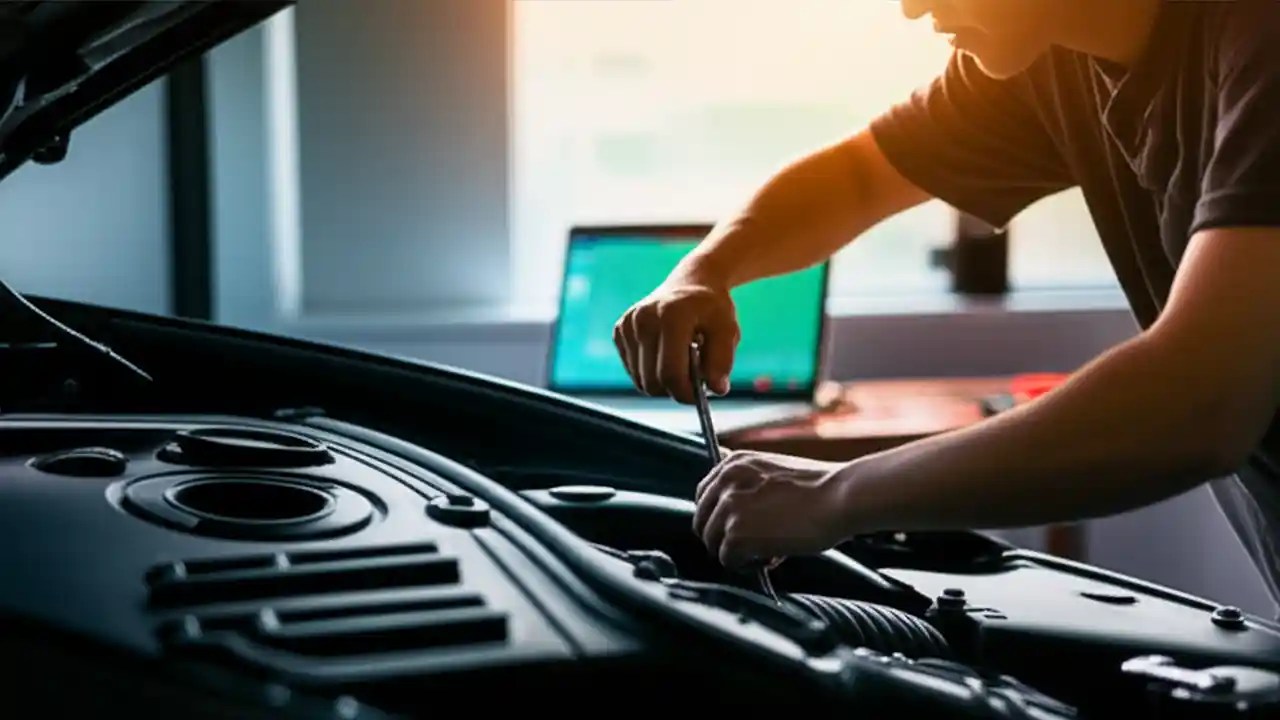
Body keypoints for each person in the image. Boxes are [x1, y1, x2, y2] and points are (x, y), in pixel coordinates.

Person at [611, 0, 1280, 606]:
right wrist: (705, 269)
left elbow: (1203, 402)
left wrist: (837, 495)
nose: (910, 8)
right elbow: (861, 175)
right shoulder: (1053, 58)